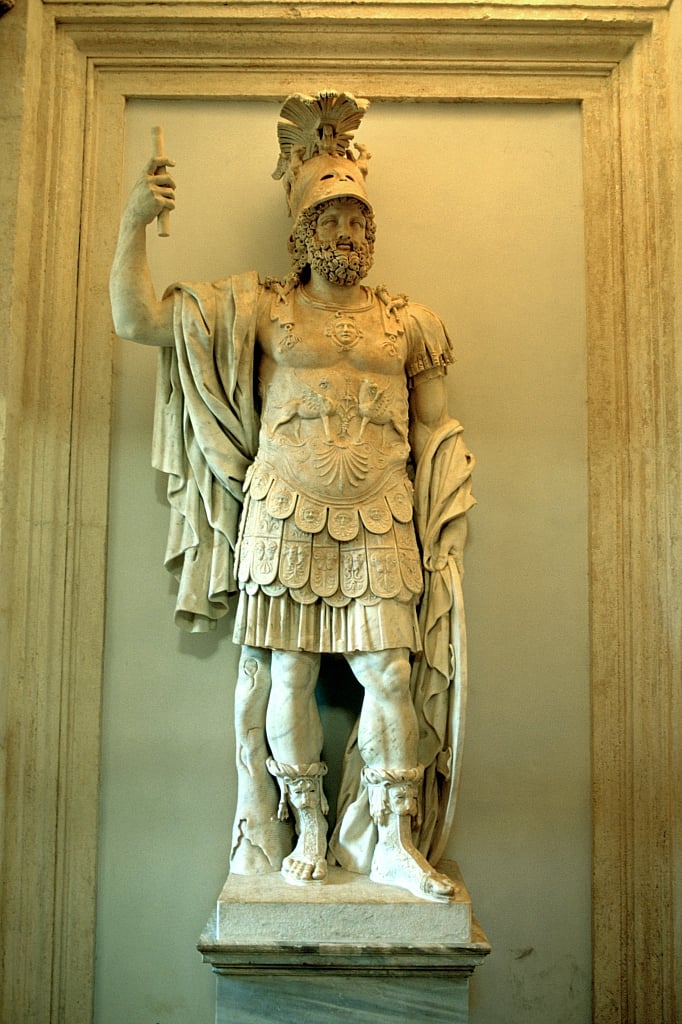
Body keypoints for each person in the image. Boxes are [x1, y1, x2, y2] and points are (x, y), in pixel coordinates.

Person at [110, 91, 475, 902]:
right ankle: (307, 828)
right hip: (285, 513)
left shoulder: (412, 322)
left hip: (382, 515)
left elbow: (435, 437)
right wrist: (135, 222)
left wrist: (446, 527)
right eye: (331, 221)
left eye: (358, 223)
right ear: (302, 234)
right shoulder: (259, 308)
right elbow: (138, 320)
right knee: (289, 674)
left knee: (389, 675)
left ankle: (393, 842)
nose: (348, 235)